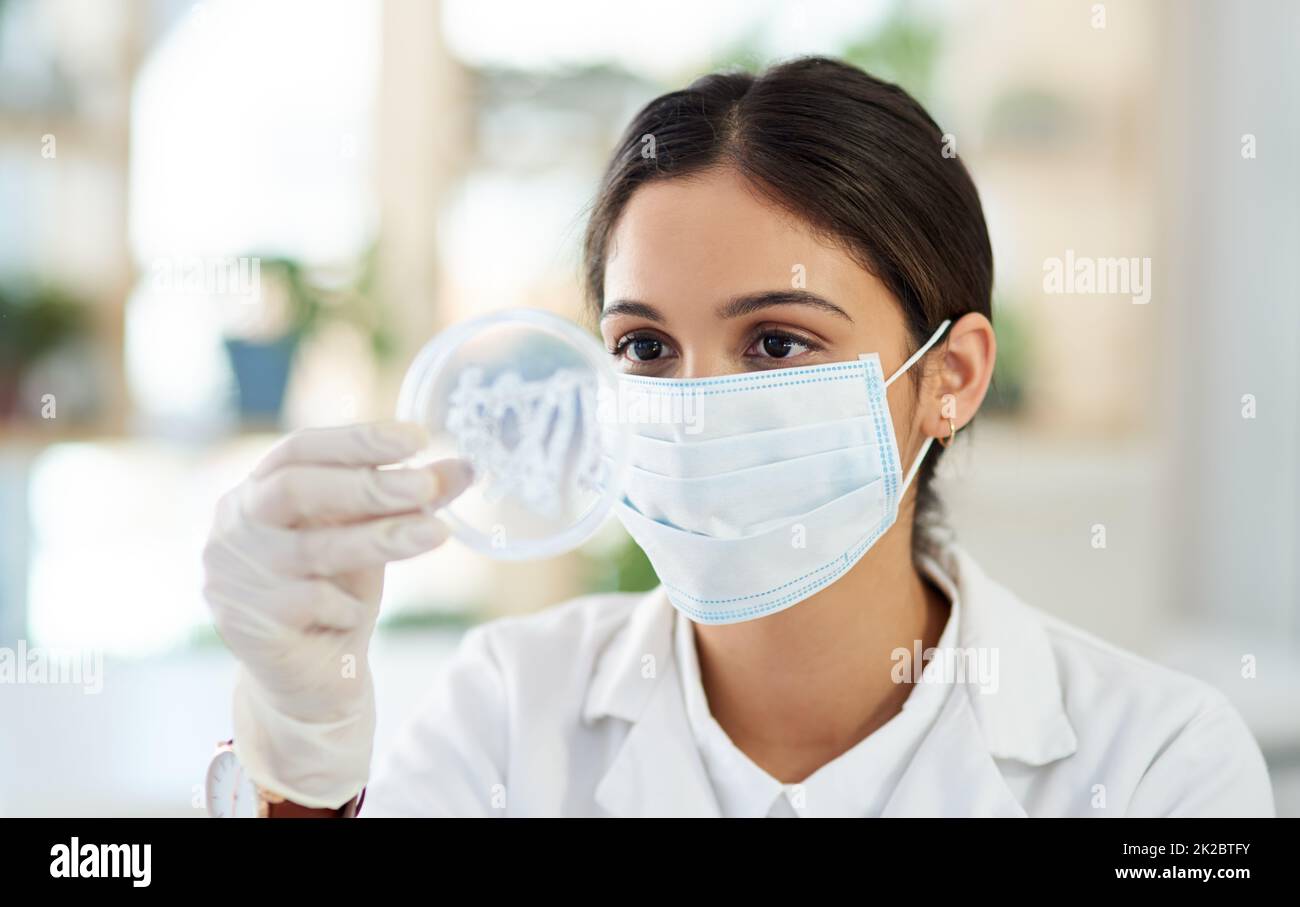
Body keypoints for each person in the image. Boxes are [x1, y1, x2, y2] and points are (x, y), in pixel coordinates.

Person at [202, 57, 1273, 817]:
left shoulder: (1155, 763)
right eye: (644, 348)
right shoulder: (508, 709)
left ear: (949, 377)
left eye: (773, 342)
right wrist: (302, 758)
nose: (693, 401)